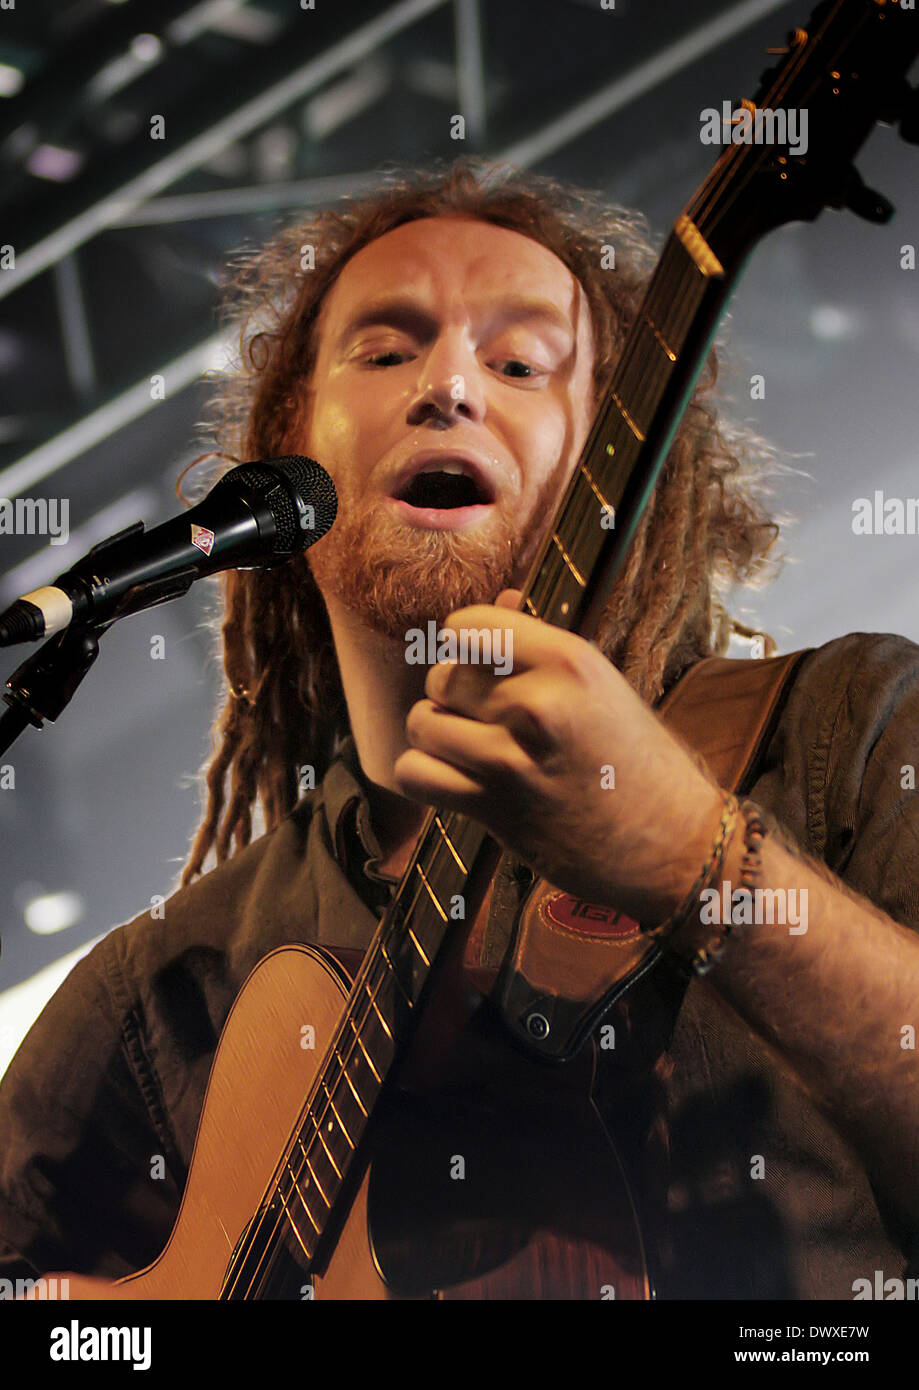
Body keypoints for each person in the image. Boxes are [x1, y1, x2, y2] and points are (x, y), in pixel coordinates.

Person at [0, 159, 917, 1300]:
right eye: (384, 352)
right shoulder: (166, 985)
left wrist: (693, 856)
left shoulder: (844, 730)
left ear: (618, 455)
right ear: (291, 444)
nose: (448, 385)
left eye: (521, 362)